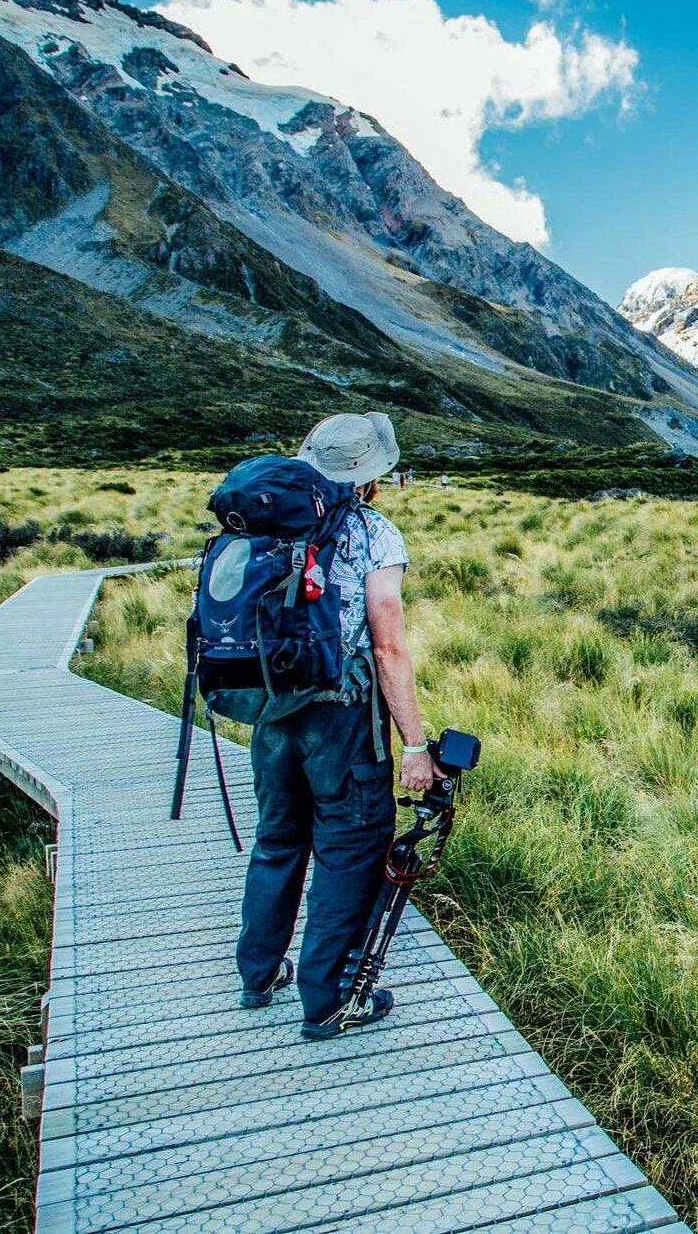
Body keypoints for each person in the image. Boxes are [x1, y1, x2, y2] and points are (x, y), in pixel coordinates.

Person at [232, 411, 441, 1040]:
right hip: (343, 718)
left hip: (272, 713)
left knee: (277, 839)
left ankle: (259, 973)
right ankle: (329, 1000)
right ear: (372, 475)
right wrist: (414, 744)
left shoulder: (267, 529)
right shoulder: (375, 533)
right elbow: (388, 649)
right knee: (349, 850)